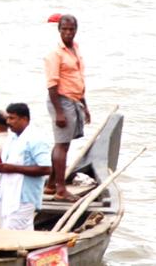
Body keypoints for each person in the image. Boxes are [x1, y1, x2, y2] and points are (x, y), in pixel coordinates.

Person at [45, 13, 89, 201]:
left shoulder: (75, 49)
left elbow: (77, 78)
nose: (68, 33)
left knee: (62, 144)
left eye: (71, 29)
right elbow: (52, 85)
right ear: (59, 30)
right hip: (60, 100)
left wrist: (85, 105)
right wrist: (59, 112)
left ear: (76, 30)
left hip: (74, 99)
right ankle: (61, 189)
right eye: (64, 29)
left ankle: (50, 184)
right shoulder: (55, 54)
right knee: (62, 145)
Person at [0, 103, 52, 230]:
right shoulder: (12, 138)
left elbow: (47, 168)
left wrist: (13, 169)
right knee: (10, 232)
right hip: (7, 195)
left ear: (25, 119)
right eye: (8, 118)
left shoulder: (36, 138)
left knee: (15, 235)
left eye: (12, 118)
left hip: (23, 198)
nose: (8, 122)